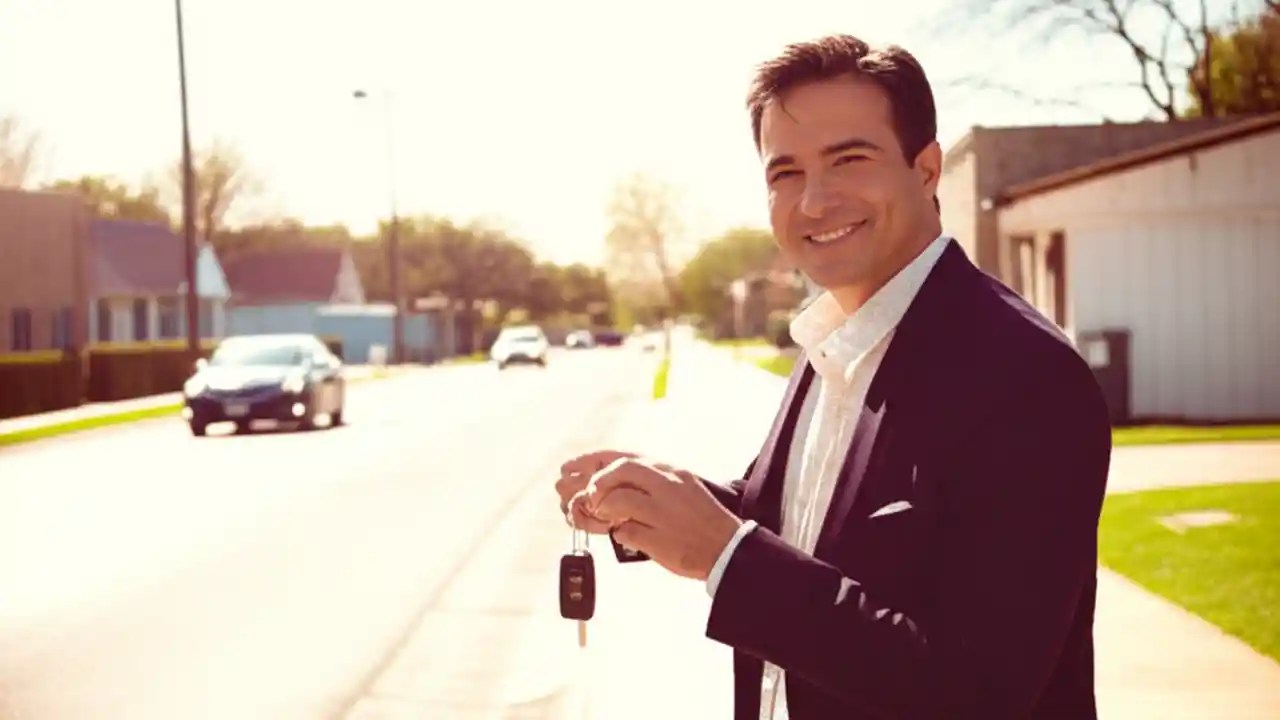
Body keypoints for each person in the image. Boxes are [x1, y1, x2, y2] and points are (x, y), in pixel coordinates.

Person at [555, 34, 1111, 720]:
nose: (814, 201)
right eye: (784, 172)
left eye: (849, 159)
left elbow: (977, 693)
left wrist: (728, 559)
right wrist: (654, 498)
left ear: (928, 168)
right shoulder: (830, 339)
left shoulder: (1028, 377)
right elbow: (797, 517)